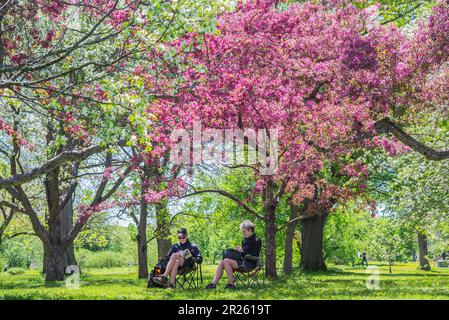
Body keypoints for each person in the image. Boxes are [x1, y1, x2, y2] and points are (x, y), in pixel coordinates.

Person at [206, 220, 261, 290]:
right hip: (242, 261)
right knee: (222, 261)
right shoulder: (244, 240)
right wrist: (238, 251)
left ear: (250, 230)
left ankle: (230, 284)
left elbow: (255, 254)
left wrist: (243, 251)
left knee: (226, 261)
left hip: (250, 264)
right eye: (242, 232)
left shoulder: (257, 240)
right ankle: (213, 284)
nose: (243, 233)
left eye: (244, 231)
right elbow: (243, 254)